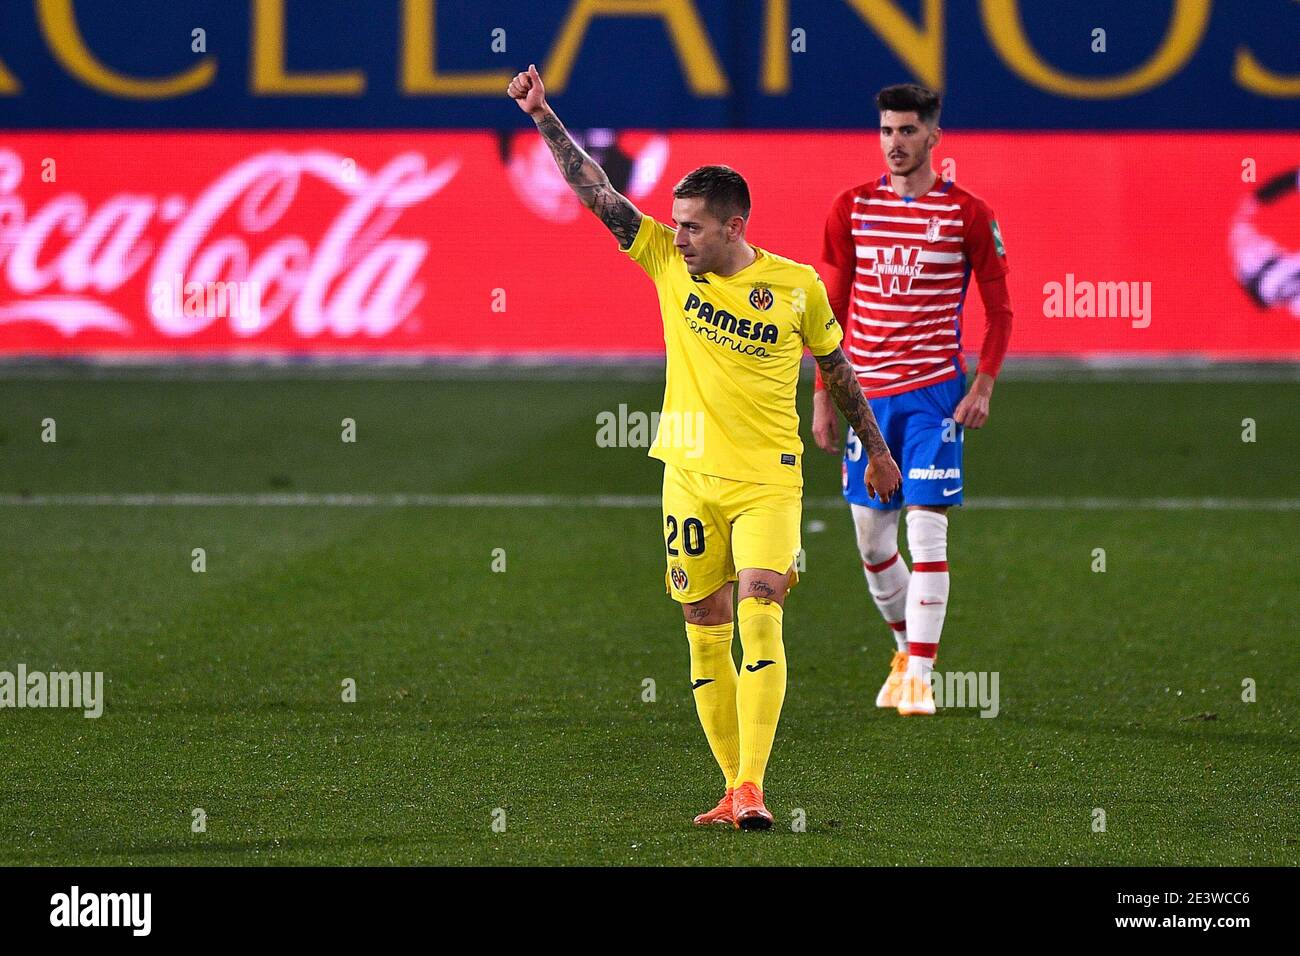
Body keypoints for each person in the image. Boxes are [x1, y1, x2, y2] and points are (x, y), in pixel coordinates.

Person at [508, 65, 902, 828]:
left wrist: (875, 450)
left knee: (761, 608)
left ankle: (753, 786)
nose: (677, 235)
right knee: (704, 624)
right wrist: (543, 116)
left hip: (768, 480)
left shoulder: (793, 288)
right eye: (676, 222)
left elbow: (836, 368)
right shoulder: (662, 260)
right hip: (686, 477)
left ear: (733, 227)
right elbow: (598, 194)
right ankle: (730, 788)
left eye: (691, 225)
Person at [813, 84, 1014, 716]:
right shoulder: (851, 208)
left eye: (907, 131)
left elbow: (1001, 308)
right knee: (873, 542)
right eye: (886, 131)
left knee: (927, 531)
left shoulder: (968, 214)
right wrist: (823, 394)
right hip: (865, 400)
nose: (895, 143)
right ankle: (906, 651)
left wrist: (983, 383)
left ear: (933, 137)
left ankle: (921, 677)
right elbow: (829, 310)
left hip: (933, 397)